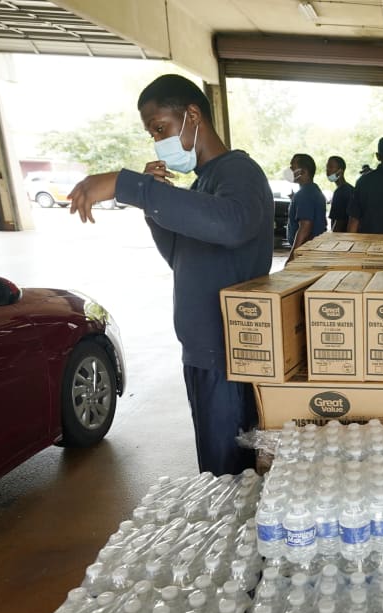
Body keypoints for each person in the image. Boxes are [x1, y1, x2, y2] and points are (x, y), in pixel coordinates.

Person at [65, 74, 273, 476]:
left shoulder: (239, 173)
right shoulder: (201, 184)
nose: (157, 141)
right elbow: (180, 257)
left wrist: (134, 187)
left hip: (227, 355)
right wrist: (154, 205)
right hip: (202, 354)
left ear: (193, 114)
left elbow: (231, 226)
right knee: (216, 473)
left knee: (229, 480)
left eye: (160, 128)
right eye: (151, 134)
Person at [286, 153, 326, 254]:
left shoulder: (305, 194)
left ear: (303, 171)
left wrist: (293, 256)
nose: (289, 170)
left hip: (305, 250)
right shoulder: (312, 189)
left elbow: (305, 227)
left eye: (292, 167)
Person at [326, 155, 353, 233]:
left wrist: (333, 237)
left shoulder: (341, 192)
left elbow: (339, 222)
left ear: (340, 171)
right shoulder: (349, 188)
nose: (327, 170)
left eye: (331, 167)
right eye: (327, 167)